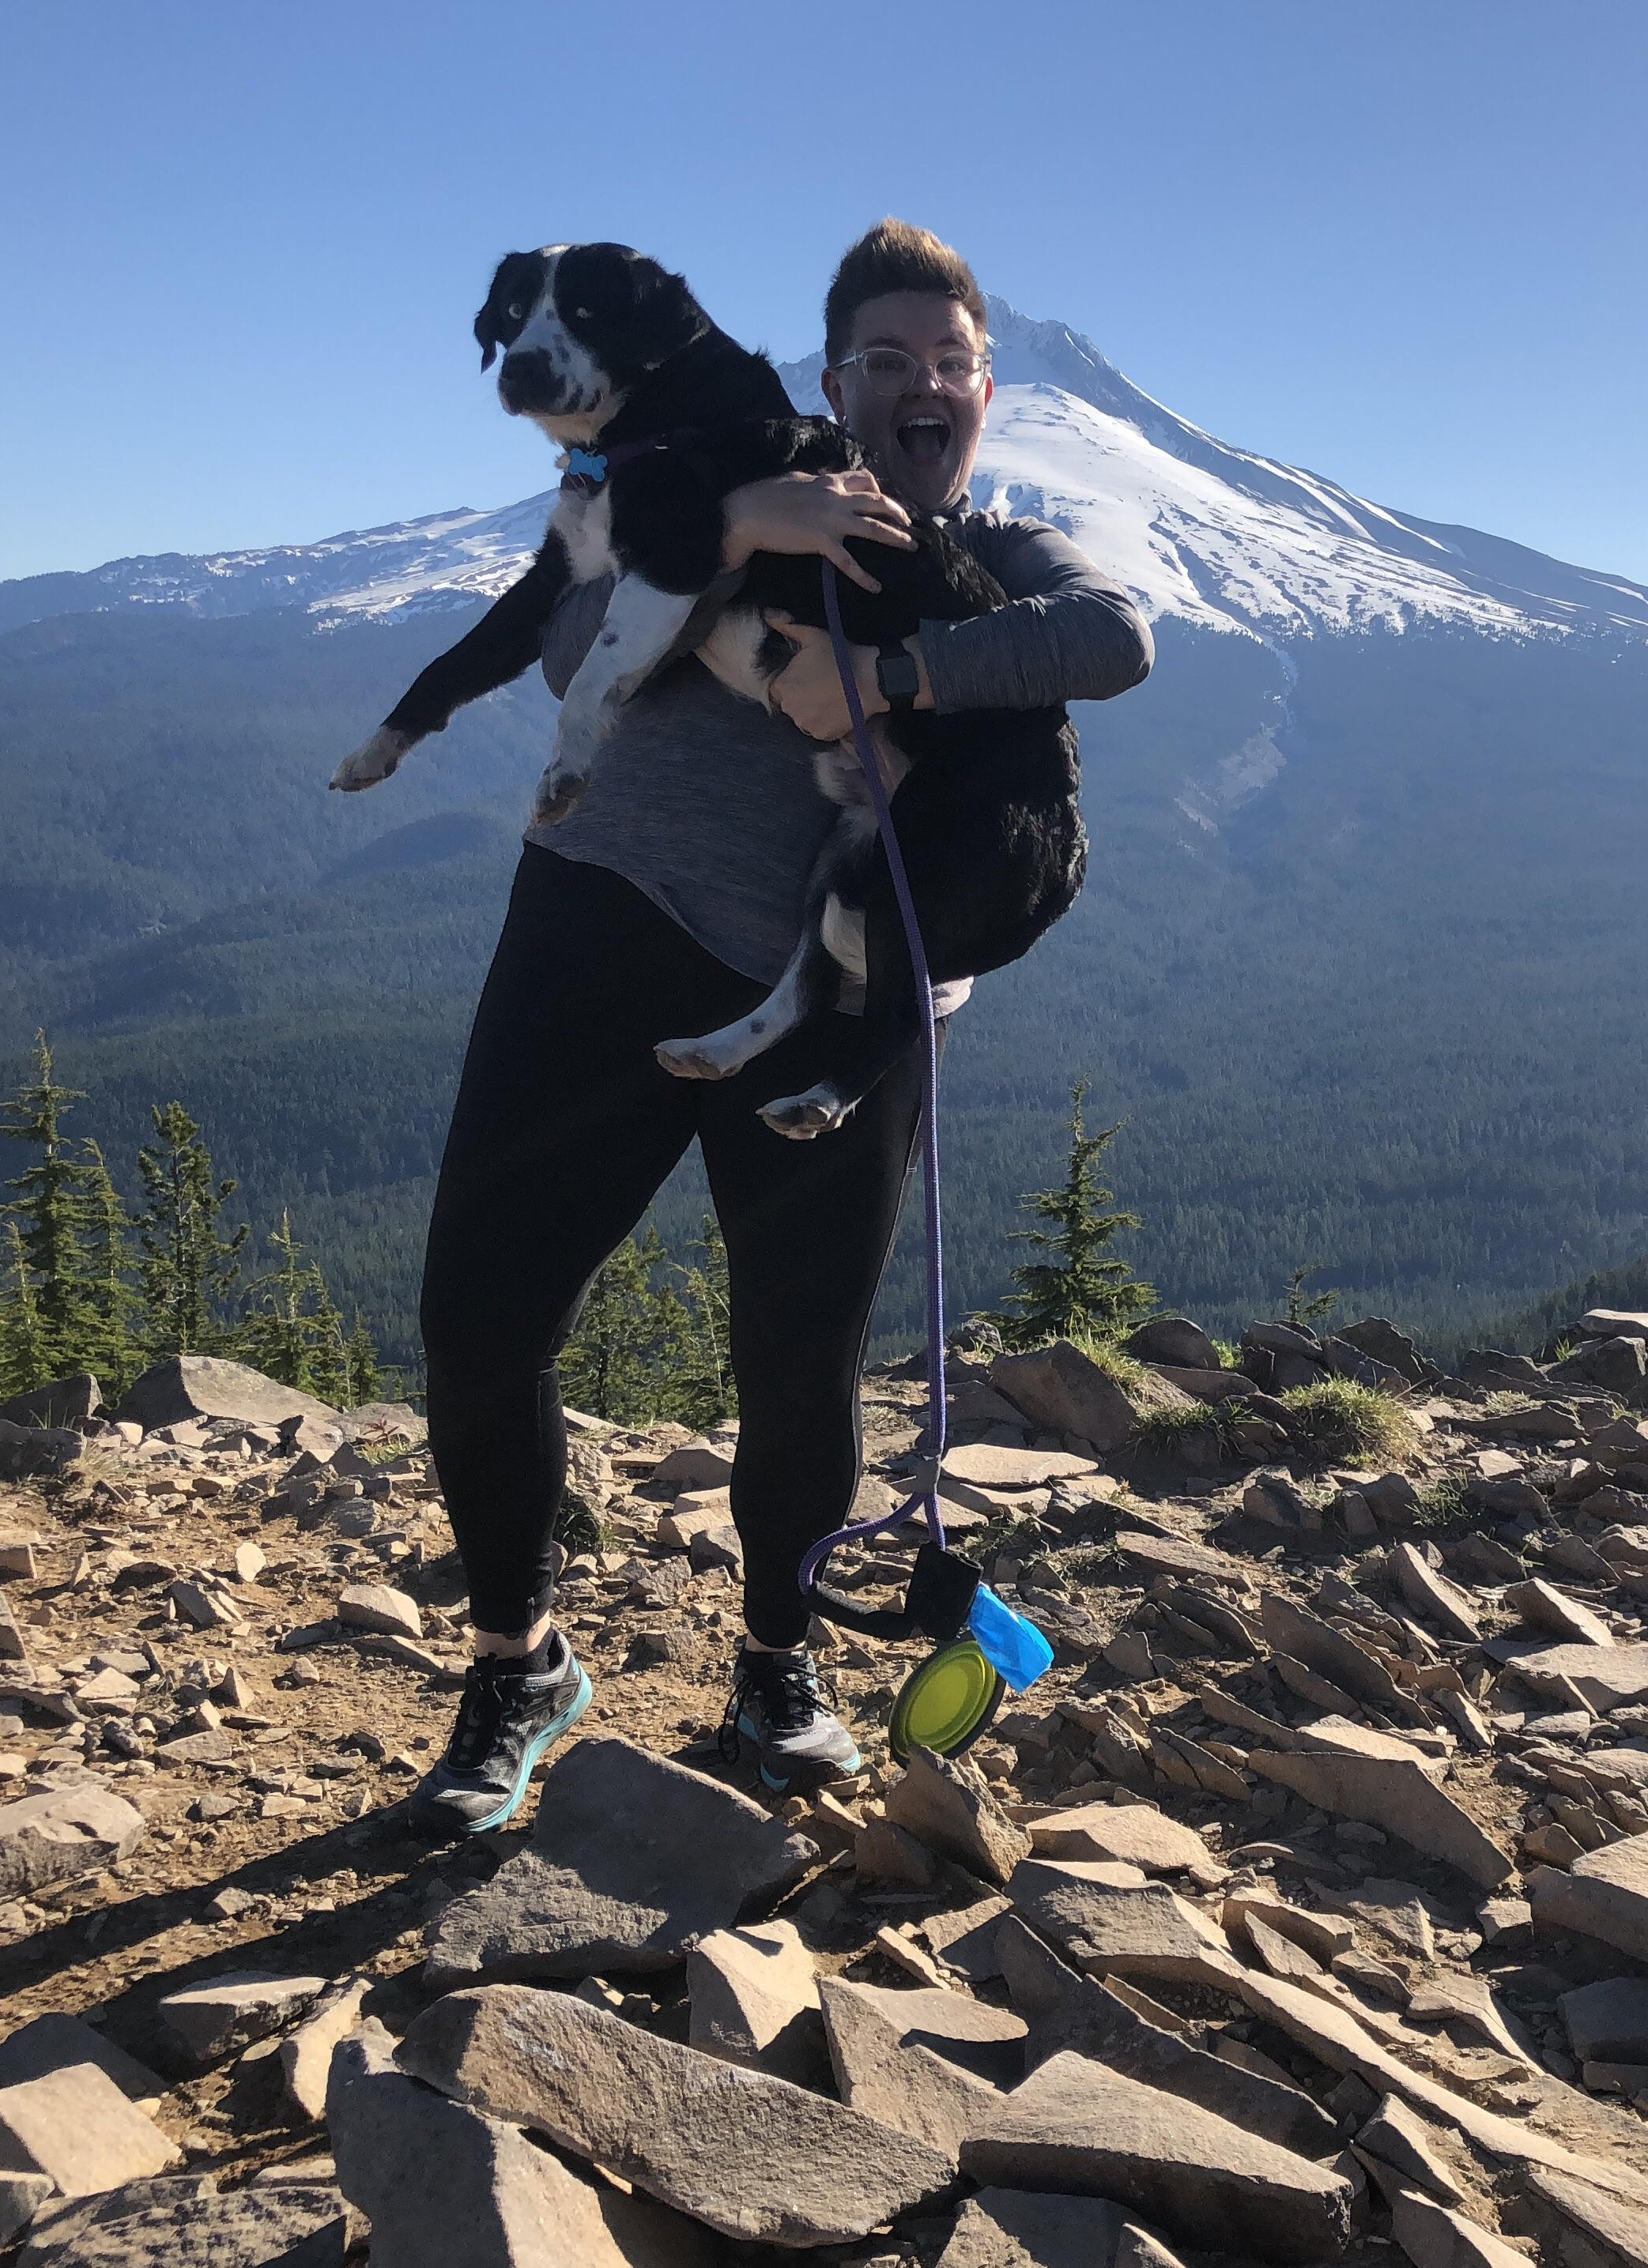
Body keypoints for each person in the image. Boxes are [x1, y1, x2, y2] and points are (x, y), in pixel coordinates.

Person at [402, 220, 1149, 1829]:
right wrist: (740, 512)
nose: (917, 387)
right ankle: (517, 1663)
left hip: (844, 1008)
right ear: (834, 381)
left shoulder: (1000, 566)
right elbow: (560, 640)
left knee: (800, 1363)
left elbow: (1115, 642)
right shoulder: (696, 480)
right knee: (479, 1321)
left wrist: (886, 677)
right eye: (884, 361)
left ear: (985, 392)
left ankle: (774, 1661)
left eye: (946, 362)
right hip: (602, 920)